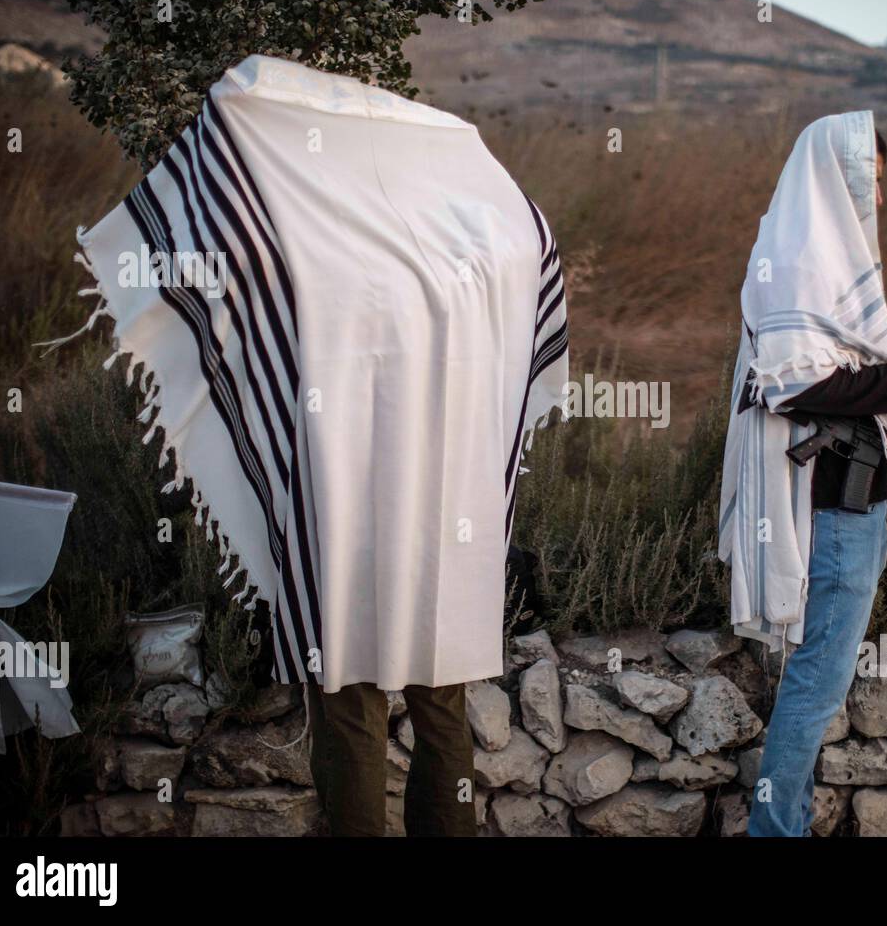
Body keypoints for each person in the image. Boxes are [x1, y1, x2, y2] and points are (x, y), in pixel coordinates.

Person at [71, 55, 568, 837]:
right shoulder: (467, 230)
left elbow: (222, 277)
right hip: (452, 510)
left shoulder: (307, 223)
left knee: (348, 706)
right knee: (441, 704)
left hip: (348, 505)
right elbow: (537, 300)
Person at [717, 112, 887, 837]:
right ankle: (776, 831)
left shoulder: (821, 256)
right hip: (831, 506)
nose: (880, 198)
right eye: (872, 180)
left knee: (818, 682)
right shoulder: (799, 258)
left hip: (851, 497)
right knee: (817, 683)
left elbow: (837, 383)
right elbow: (793, 388)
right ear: (833, 175)